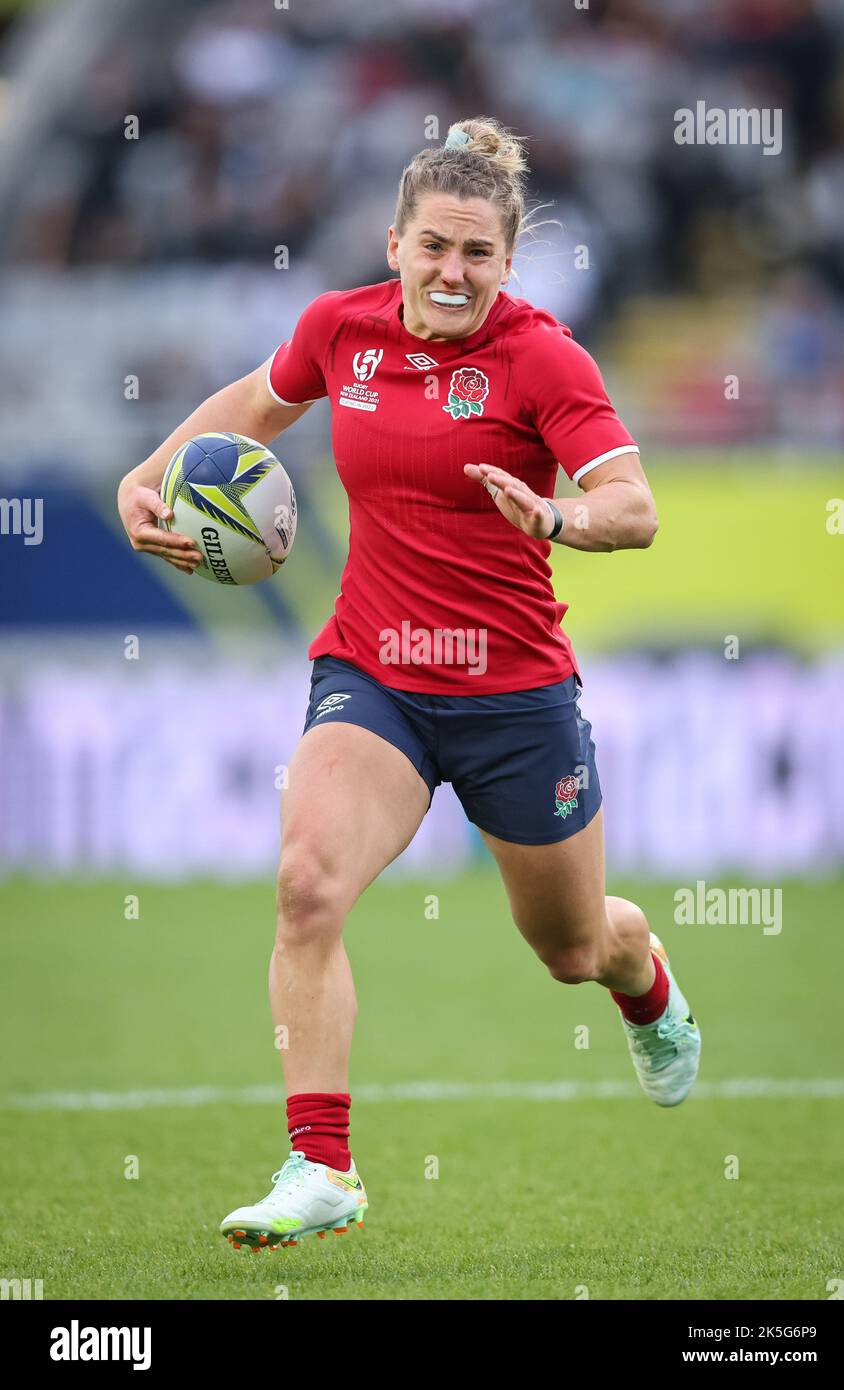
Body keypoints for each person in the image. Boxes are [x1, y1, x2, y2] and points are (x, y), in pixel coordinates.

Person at [117, 116, 700, 1252]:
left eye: (478, 253)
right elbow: (253, 406)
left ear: (508, 262)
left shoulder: (544, 358)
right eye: (434, 245)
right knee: (306, 887)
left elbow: (634, 508)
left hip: (514, 694)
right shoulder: (339, 330)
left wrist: (557, 517)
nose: (453, 271)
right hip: (373, 673)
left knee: (573, 949)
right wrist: (146, 476)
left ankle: (647, 983)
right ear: (394, 245)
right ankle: (320, 1166)